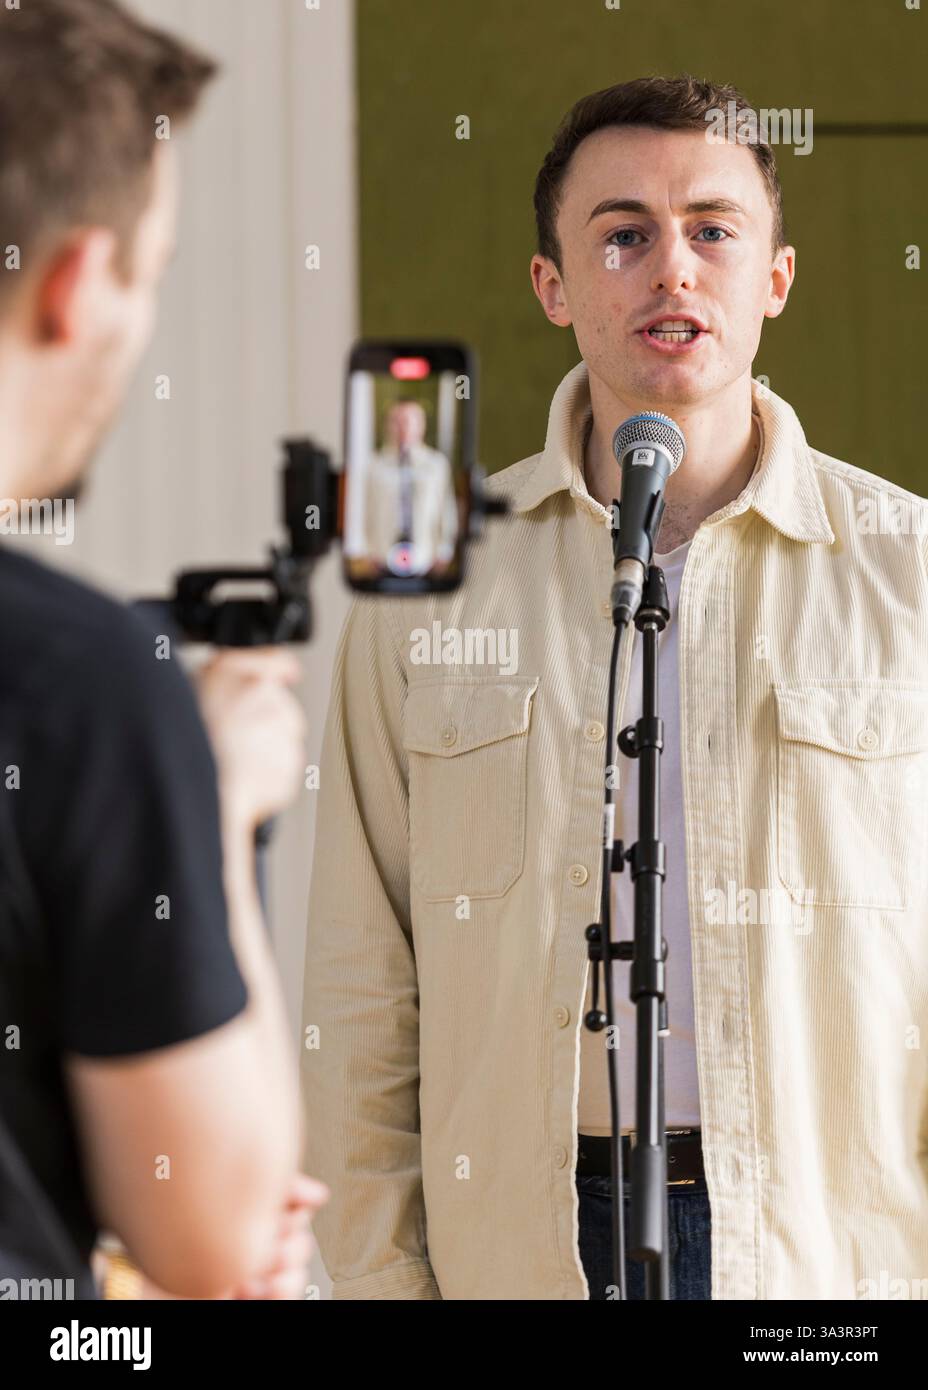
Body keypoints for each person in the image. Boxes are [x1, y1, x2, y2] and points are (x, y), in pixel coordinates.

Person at [302, 72, 928, 1301]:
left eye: (711, 230)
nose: (672, 270)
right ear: (555, 287)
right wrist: (382, 1284)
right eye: (624, 235)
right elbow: (359, 977)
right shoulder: (431, 585)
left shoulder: (909, 574)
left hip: (827, 1262)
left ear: (774, 279)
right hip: (517, 1255)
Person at [0, 0, 326, 1300]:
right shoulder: (80, 683)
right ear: (83, 283)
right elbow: (221, 1238)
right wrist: (224, 797)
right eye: (155, 269)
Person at [361, 400, 459, 575]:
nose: (403, 427)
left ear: (421, 425)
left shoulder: (436, 464)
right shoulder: (374, 464)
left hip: (426, 559)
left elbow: (447, 507)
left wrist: (445, 550)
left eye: (408, 420)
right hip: (383, 559)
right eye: (396, 421)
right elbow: (365, 509)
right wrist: (368, 551)